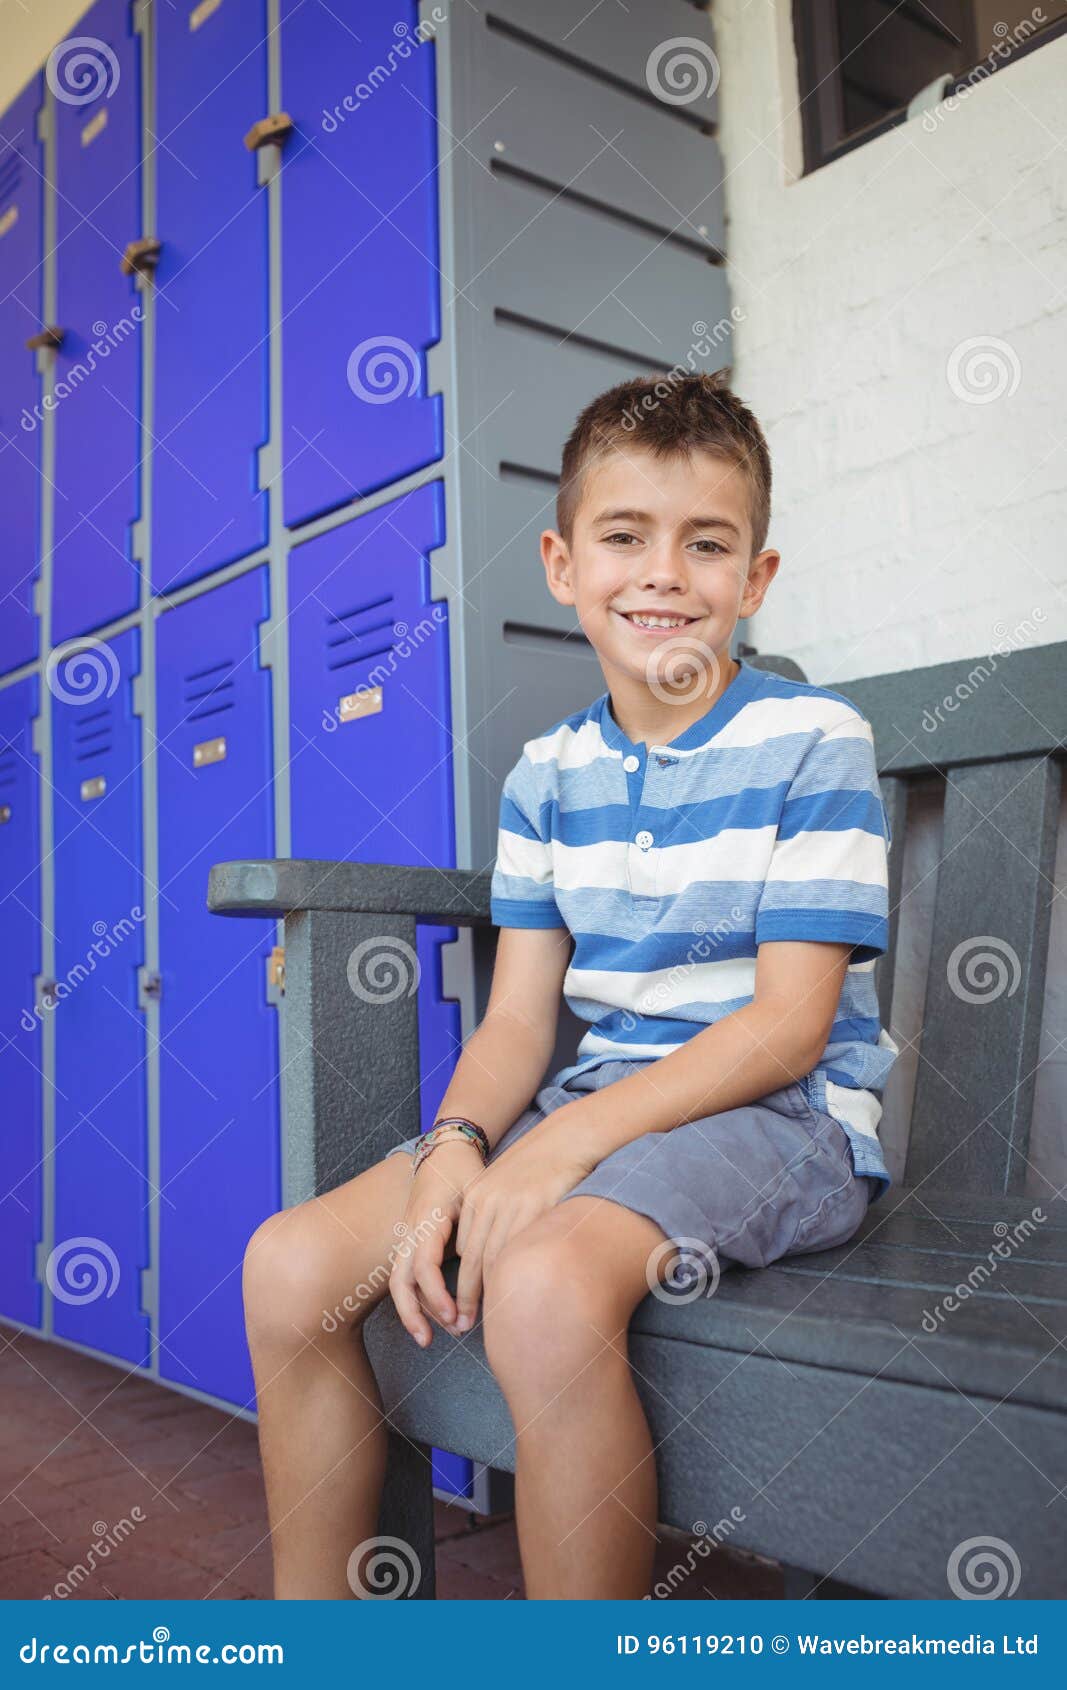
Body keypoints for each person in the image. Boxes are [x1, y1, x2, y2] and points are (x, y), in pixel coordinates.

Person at [242, 370, 897, 1600]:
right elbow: (517, 1020)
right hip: (587, 1117)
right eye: (623, 536)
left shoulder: (812, 739)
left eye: (704, 543)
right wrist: (459, 1141)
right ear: (560, 565)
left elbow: (786, 1027)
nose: (661, 573)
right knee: (286, 1266)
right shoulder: (546, 776)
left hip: (776, 1120)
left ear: (752, 580)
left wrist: (556, 1151)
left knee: (541, 1287)